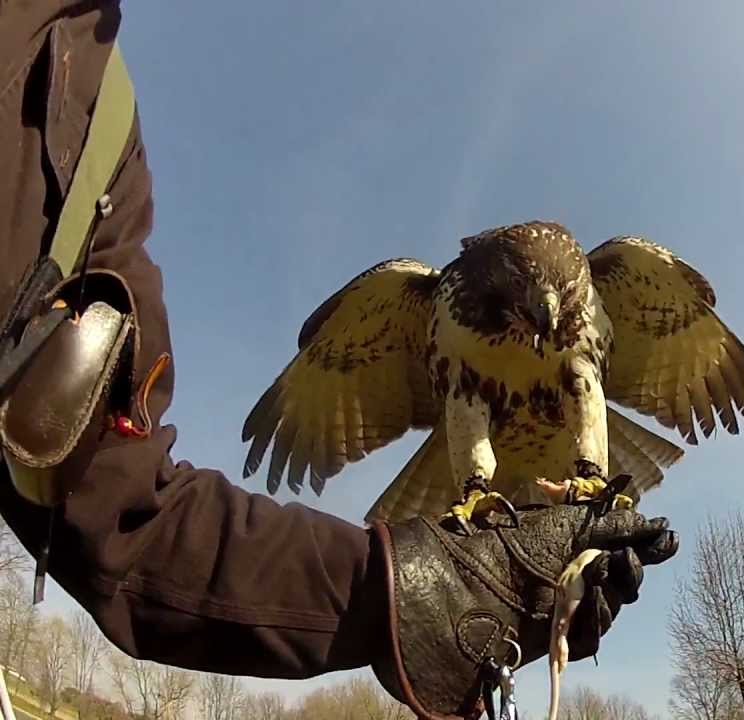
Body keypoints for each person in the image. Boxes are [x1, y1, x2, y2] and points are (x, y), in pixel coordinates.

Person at [0, 3, 679, 719]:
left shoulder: (96, 122)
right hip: (473, 431)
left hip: (563, 427)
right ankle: (480, 491)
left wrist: (406, 590)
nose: (543, 332)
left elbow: (117, 506)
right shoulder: (430, 297)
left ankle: (584, 485)